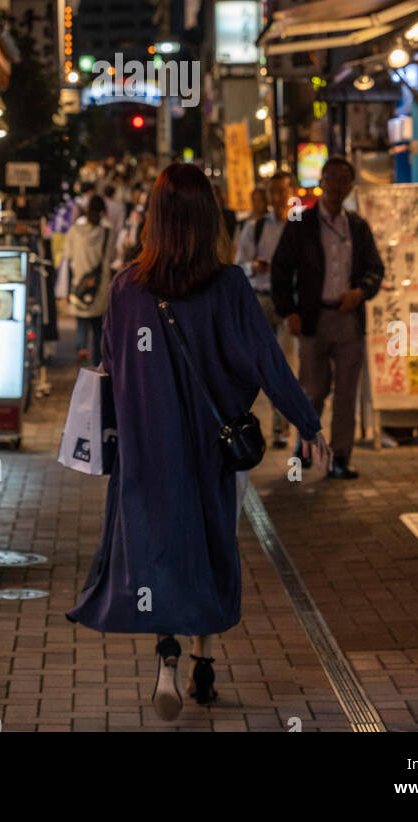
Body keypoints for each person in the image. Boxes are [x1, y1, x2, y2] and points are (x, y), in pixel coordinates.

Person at [67, 163, 329, 722]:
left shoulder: (127, 288)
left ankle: (166, 655)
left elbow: (109, 370)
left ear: (154, 220)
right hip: (213, 452)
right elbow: (267, 360)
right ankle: (203, 663)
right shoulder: (228, 286)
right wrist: (308, 424)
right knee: (211, 547)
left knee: (161, 552)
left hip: (146, 456)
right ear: (209, 217)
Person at [271, 155, 384, 480]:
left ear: (350, 186)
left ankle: (339, 458)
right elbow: (281, 269)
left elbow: (375, 269)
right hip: (312, 318)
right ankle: (305, 446)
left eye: (342, 180)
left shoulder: (358, 227)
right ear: (321, 182)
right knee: (313, 390)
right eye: (330, 178)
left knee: (347, 393)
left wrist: (360, 292)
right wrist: (288, 310)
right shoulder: (301, 224)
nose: (336, 185)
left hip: (348, 318)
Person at [235, 172, 297, 449]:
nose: (276, 198)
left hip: (289, 304)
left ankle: (283, 426)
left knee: (284, 364)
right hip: (259, 301)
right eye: (273, 192)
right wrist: (253, 267)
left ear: (291, 192)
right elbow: (239, 265)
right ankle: (271, 424)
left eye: (281, 192)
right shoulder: (255, 227)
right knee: (262, 366)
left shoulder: (299, 227)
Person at [62, 193, 113, 364]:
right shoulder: (107, 233)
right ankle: (98, 363)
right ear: (102, 212)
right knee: (98, 327)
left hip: (80, 285)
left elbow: (67, 257)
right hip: (99, 287)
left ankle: (82, 352)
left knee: (82, 323)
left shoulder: (74, 232)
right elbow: (110, 259)